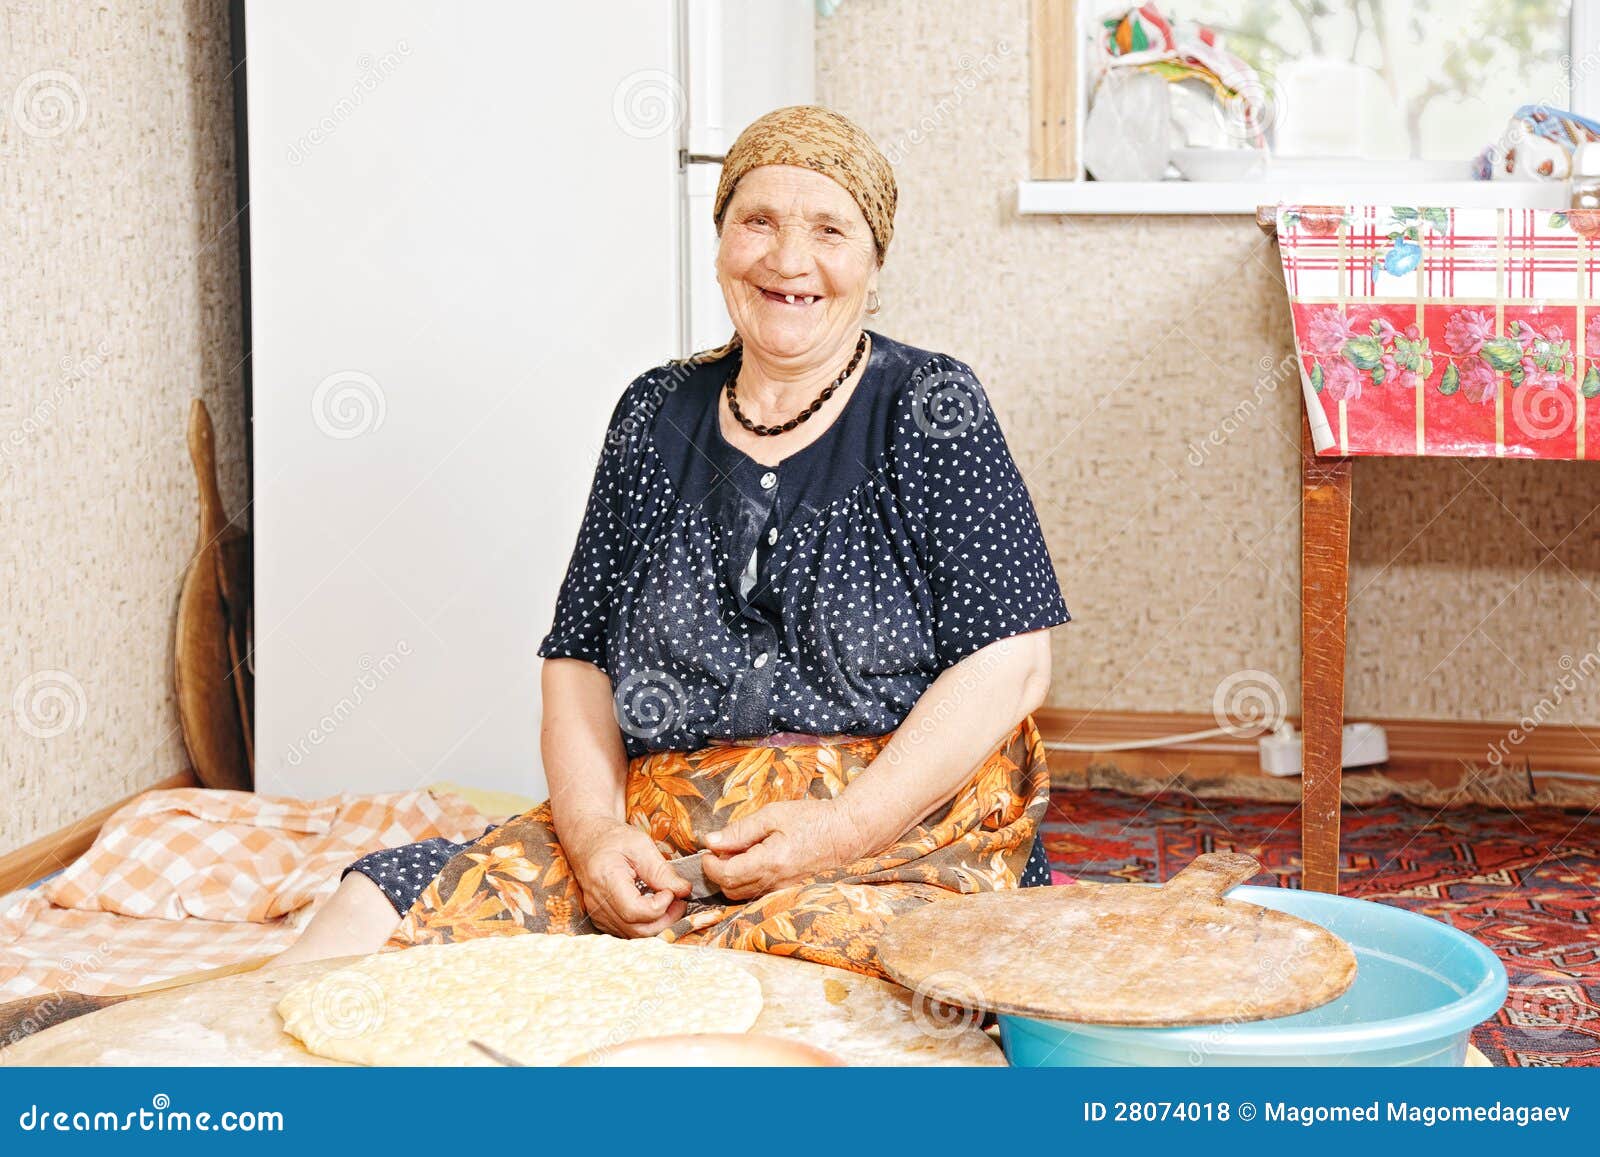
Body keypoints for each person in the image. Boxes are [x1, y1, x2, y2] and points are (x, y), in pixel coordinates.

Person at [269, 104, 1071, 980]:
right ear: (721, 238)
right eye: (757, 221)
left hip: (895, 831)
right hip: (669, 837)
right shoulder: (654, 413)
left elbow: (1011, 664)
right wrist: (595, 834)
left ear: (873, 262)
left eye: (829, 230)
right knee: (372, 912)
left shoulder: (929, 403)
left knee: (800, 980)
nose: (789, 260)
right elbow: (577, 662)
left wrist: (839, 831)